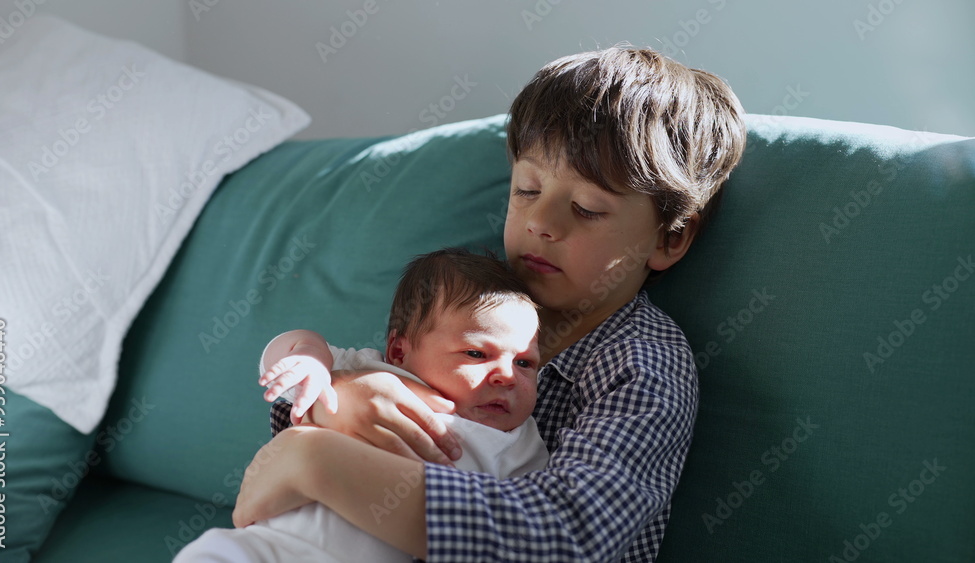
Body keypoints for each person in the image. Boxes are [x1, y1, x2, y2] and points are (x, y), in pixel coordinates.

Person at [232, 45, 747, 562]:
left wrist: (317, 462)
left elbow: (569, 537)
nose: (540, 223)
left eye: (588, 208)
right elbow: (334, 393)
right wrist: (344, 397)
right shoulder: (479, 303)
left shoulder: (643, 364)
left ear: (670, 238)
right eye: (527, 189)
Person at [175, 249, 548, 562]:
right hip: (266, 549)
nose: (506, 376)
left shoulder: (518, 440)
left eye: (525, 363)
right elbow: (285, 347)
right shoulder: (368, 370)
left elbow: (526, 518)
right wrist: (308, 358)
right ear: (399, 351)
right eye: (476, 353)